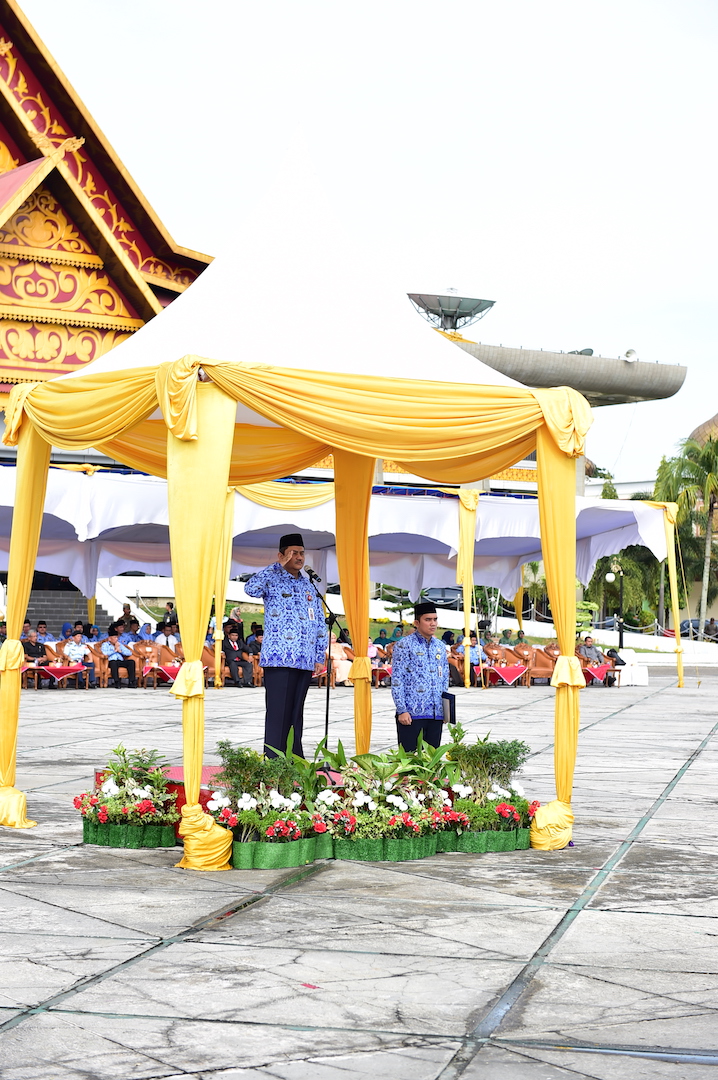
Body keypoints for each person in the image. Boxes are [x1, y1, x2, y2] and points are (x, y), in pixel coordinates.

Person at [244, 532, 326, 757]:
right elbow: (250, 588)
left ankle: (294, 760)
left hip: (304, 660)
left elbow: (319, 622)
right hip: (279, 659)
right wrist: (275, 566)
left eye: (301, 553)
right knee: (278, 713)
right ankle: (273, 761)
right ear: (281, 555)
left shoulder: (309, 586)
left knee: (295, 713)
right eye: (293, 553)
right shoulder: (272, 579)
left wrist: (319, 656)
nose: (299, 557)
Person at [391, 602, 449, 751]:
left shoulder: (440, 646)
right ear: (417, 622)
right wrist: (401, 709)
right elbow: (397, 679)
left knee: (431, 761)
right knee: (409, 761)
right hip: (411, 713)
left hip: (435, 714)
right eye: (428, 619)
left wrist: (445, 710)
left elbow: (444, 678)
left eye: (435, 619)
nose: (433, 624)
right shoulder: (404, 645)